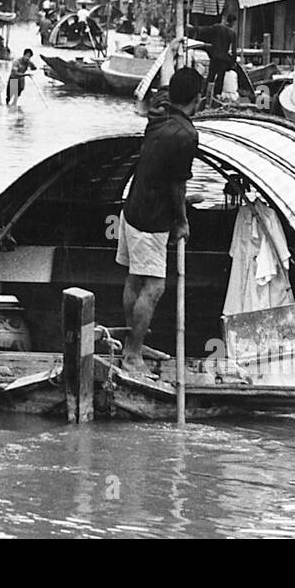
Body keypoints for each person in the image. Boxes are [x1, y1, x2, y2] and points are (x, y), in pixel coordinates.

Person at [115, 67, 204, 378]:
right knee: (153, 287)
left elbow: (161, 172)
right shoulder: (186, 134)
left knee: (135, 279)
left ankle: (133, 342)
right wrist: (182, 220)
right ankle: (132, 354)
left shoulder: (157, 118)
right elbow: (176, 184)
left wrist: (183, 201)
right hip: (152, 219)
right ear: (198, 98)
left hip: (133, 209)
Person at [188, 13, 238, 103]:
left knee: (211, 76)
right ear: (233, 22)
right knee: (220, 78)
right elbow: (234, 51)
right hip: (224, 59)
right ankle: (216, 96)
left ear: (226, 20)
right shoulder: (232, 33)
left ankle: (205, 95)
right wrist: (232, 63)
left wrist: (193, 28)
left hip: (215, 56)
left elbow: (204, 30)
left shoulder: (217, 27)